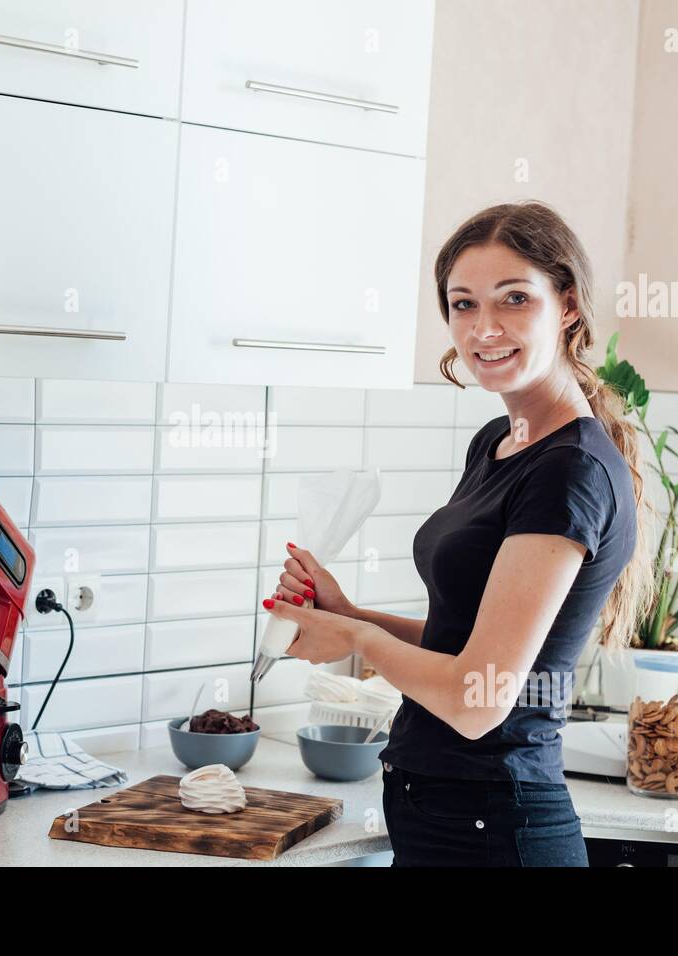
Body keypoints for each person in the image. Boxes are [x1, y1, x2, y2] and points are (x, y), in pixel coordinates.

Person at [264, 201, 651, 867]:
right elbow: (464, 645)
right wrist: (349, 613)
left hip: (497, 831)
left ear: (566, 306)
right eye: (463, 304)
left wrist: (356, 639)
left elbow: (479, 701)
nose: (484, 327)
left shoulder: (568, 471)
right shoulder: (501, 443)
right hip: (443, 822)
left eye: (514, 299)